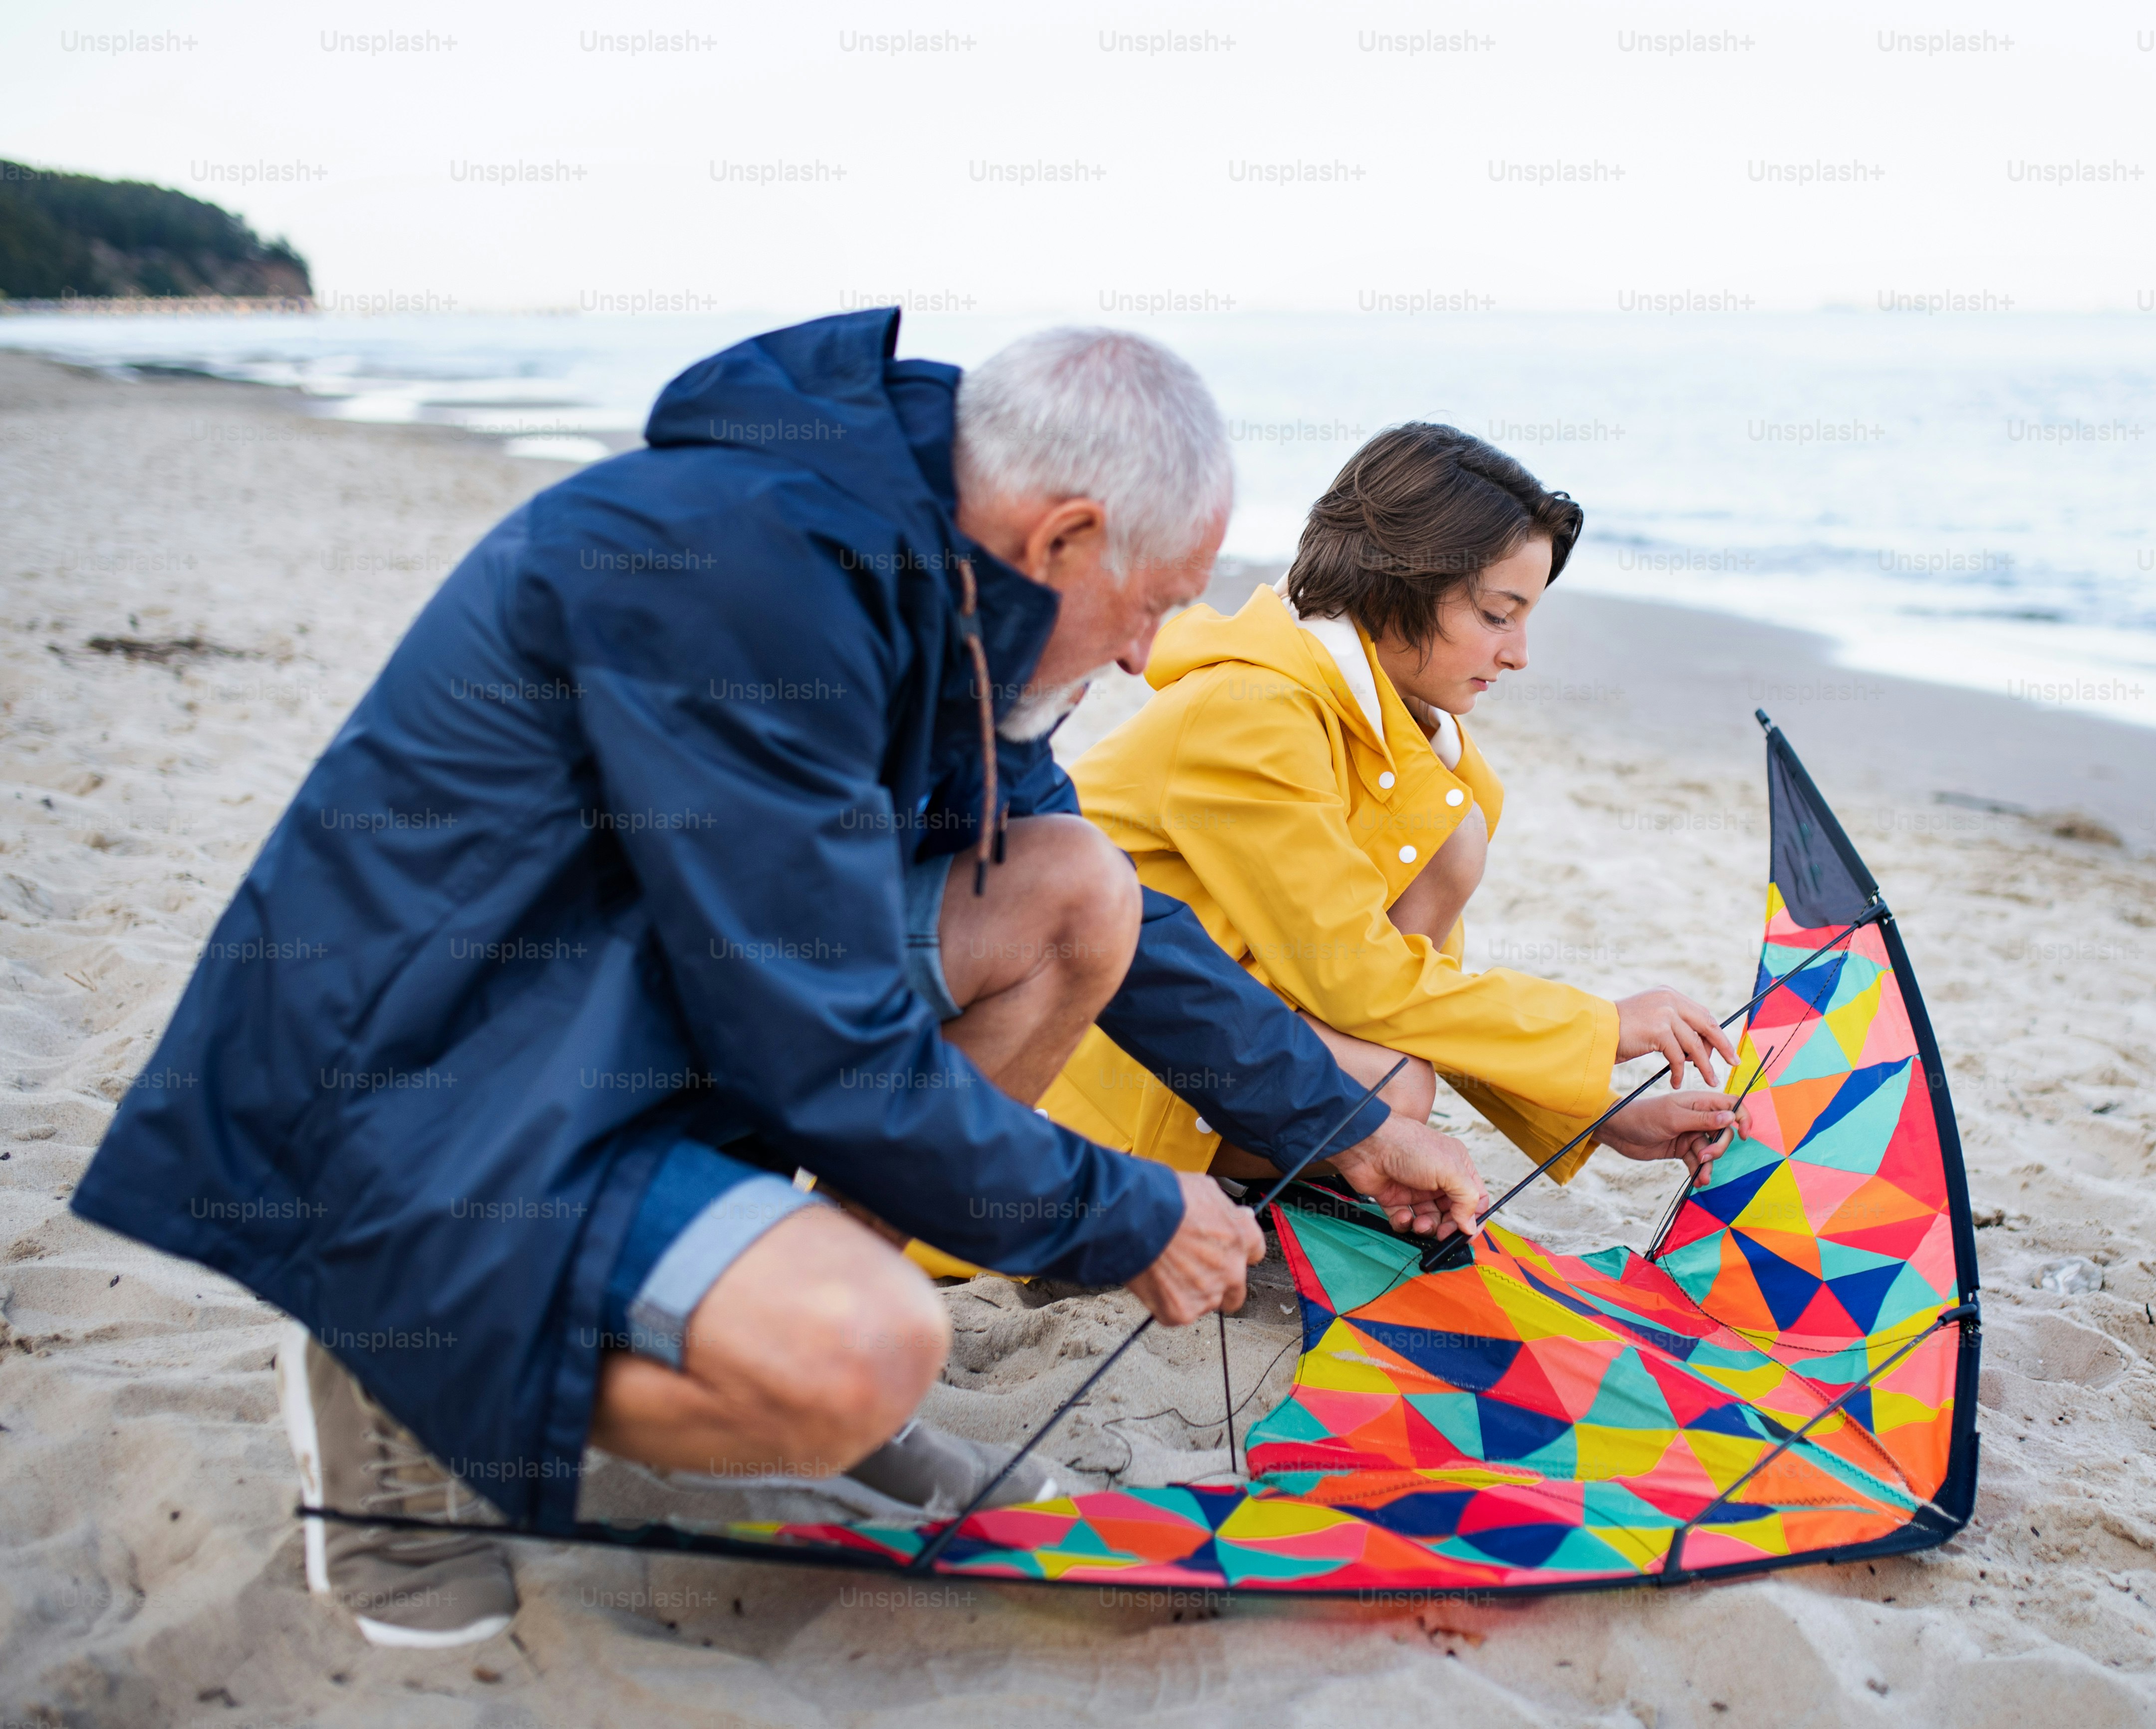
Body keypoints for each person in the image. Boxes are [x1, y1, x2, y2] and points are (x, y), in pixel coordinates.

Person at [71, 315, 1483, 1650]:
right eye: (1147, 609)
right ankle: (398, 1357)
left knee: (1076, 891)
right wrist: (1126, 1214)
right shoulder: (747, 588)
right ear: (1063, 536)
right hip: (430, 1091)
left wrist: (1341, 1128)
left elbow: (1105, 936)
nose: (1139, 655)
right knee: (851, 1353)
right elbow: (826, 1052)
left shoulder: (947, 576)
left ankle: (811, 1388)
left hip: (626, 1012)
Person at [1043, 422, 1747, 1198]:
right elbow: (1359, 983)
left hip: (1218, 1027)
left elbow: (1411, 990)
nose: (1518, 655)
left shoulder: (1413, 740)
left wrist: (1600, 1114)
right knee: (1392, 1092)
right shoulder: (1251, 710)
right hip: (1093, 1059)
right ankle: (1244, 1178)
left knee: (1456, 842)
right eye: (1496, 615)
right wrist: (1602, 1028)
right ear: (1394, 585)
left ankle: (1293, 1171)